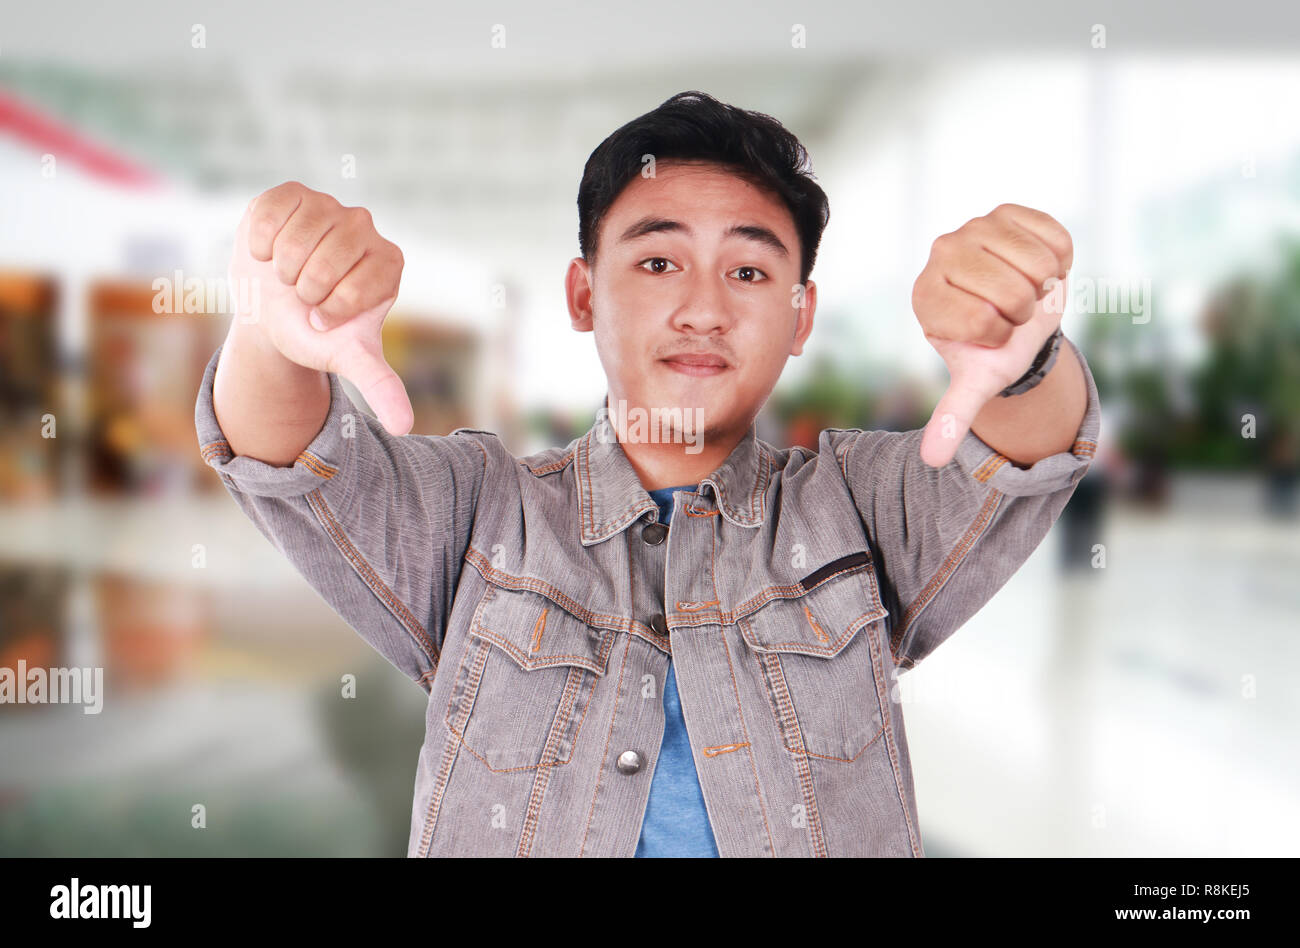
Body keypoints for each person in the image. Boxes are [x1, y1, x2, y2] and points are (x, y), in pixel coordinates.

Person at [195, 90, 1099, 857]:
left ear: (801, 314)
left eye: (748, 269)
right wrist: (270, 337)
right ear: (584, 294)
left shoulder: (855, 509)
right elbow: (294, 461)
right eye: (658, 260)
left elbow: (1017, 453)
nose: (703, 309)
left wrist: (1018, 360)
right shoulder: (482, 514)